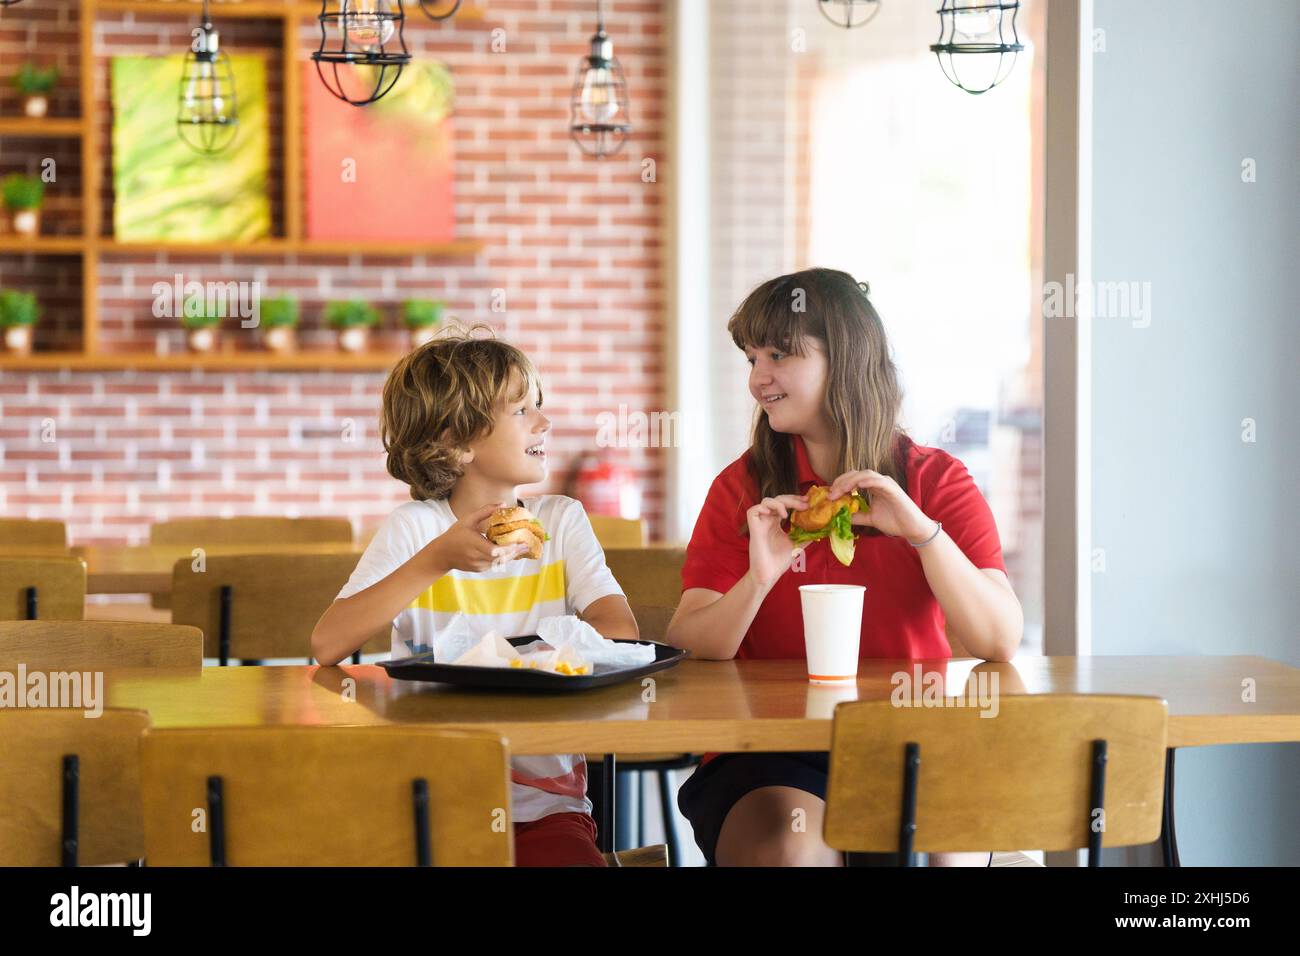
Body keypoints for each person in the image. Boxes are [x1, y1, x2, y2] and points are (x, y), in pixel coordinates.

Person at [666, 268, 1023, 867]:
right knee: (791, 848)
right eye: (752, 358)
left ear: (846, 360)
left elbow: (997, 639)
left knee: (949, 855)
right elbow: (691, 641)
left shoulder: (936, 482)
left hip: (915, 743)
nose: (758, 378)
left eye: (779, 353)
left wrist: (921, 534)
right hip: (768, 754)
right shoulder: (742, 488)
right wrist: (761, 575)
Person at [311, 327, 638, 866]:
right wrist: (436, 560)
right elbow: (327, 644)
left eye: (540, 405)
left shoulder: (560, 520)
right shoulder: (417, 530)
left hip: (546, 805)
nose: (544, 422)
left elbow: (619, 631)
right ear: (455, 442)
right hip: (431, 801)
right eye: (521, 410)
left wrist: (525, 661)